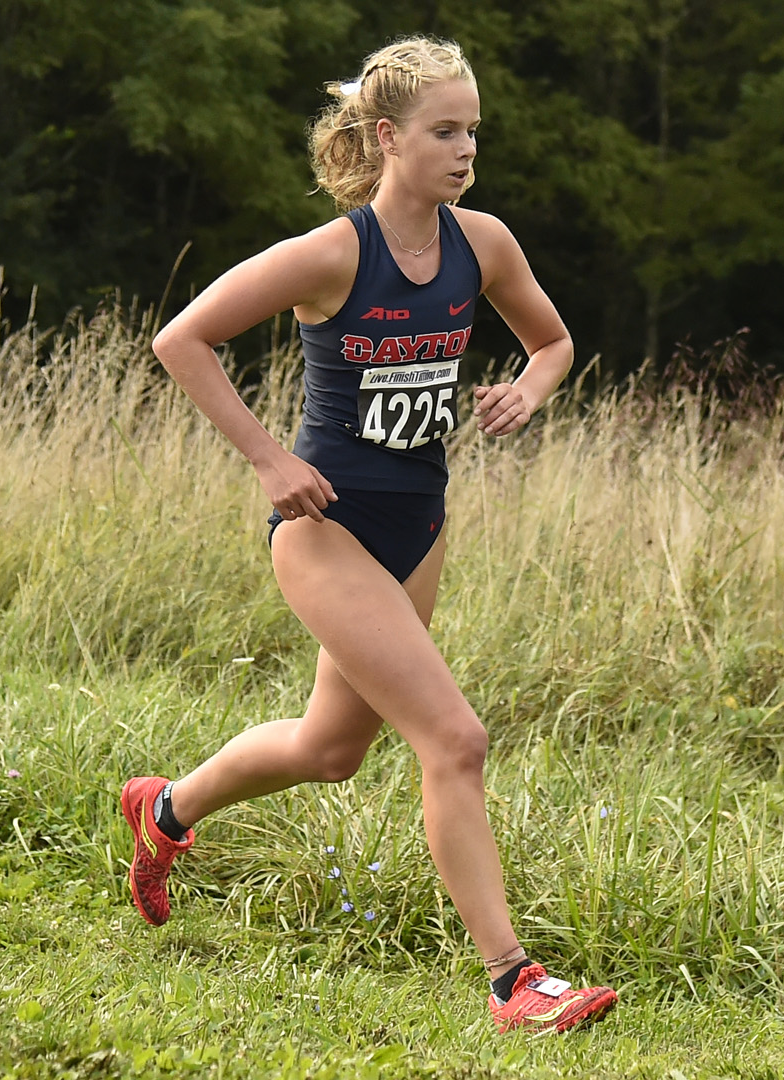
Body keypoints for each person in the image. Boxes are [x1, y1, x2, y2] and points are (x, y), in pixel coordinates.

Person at [120, 37, 612, 1033]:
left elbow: (554, 342)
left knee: (331, 747)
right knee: (455, 738)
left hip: (417, 526)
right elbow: (183, 339)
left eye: (472, 130)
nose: (464, 149)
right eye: (444, 131)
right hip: (324, 529)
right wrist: (268, 457)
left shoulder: (485, 245)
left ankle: (164, 809)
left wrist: (528, 387)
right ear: (388, 138)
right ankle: (516, 982)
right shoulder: (337, 252)